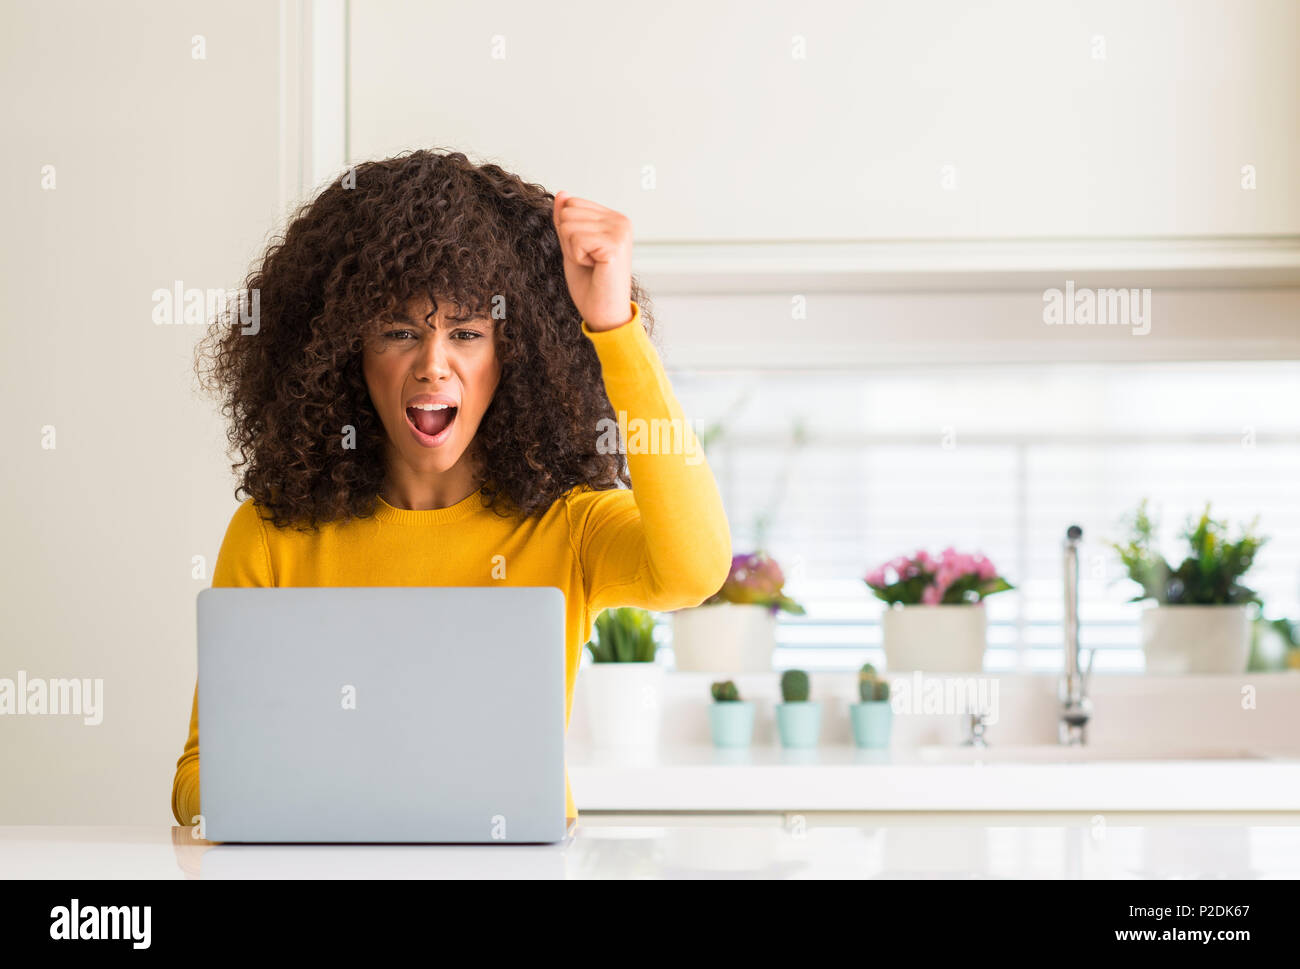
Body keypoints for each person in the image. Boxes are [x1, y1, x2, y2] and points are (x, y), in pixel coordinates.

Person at [173, 149, 731, 826]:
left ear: (513, 358)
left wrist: (614, 329)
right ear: (348, 354)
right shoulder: (273, 534)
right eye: (400, 332)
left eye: (466, 334)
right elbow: (198, 781)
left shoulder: (567, 527)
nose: (433, 366)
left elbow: (694, 569)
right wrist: (371, 802)